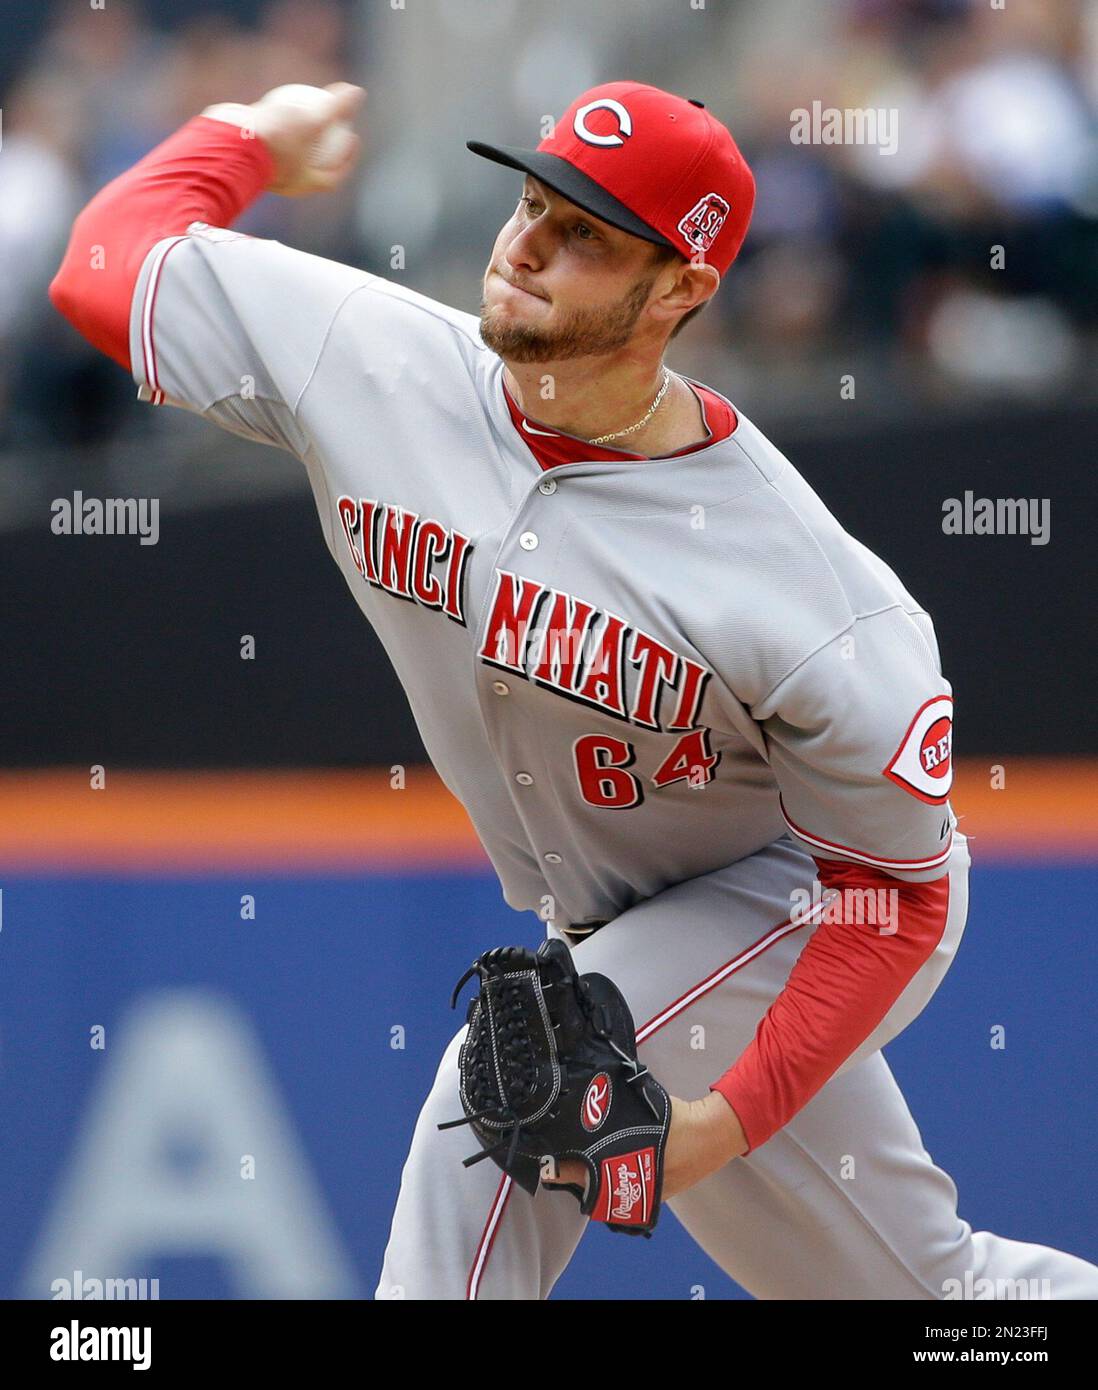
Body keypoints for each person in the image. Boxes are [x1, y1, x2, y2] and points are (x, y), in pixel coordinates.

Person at [49, 78, 1098, 1301]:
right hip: (616, 919)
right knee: (929, 1301)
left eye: (587, 235)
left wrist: (726, 1122)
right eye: (533, 203)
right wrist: (250, 136)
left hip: (811, 903)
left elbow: (898, 900)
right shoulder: (372, 359)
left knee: (493, 1106)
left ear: (682, 289)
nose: (530, 246)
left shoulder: (807, 586)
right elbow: (105, 269)